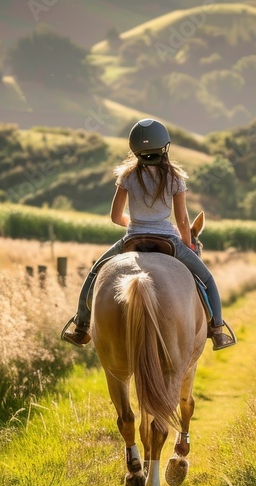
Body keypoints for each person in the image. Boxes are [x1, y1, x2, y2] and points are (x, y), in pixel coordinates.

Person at [61, 118, 236, 350]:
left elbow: (115, 217)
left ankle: (81, 326)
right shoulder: (175, 178)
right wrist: (188, 245)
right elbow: (183, 220)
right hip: (168, 240)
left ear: (135, 149)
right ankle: (217, 330)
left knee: (94, 274)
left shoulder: (127, 176)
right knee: (208, 279)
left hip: (132, 238)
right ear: (165, 146)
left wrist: (134, 224)